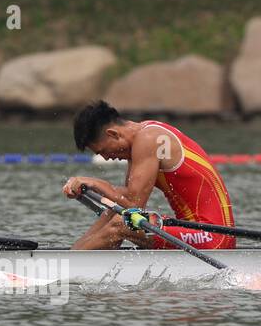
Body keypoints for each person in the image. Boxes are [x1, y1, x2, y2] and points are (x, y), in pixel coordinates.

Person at [61, 101, 236, 250]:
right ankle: (74, 259)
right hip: (190, 230)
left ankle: (69, 268)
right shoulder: (141, 137)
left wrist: (95, 183)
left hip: (214, 235)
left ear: (113, 134)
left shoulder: (148, 139)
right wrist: (74, 251)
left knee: (122, 224)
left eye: (103, 151)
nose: (106, 157)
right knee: (120, 217)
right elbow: (123, 205)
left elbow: (134, 204)